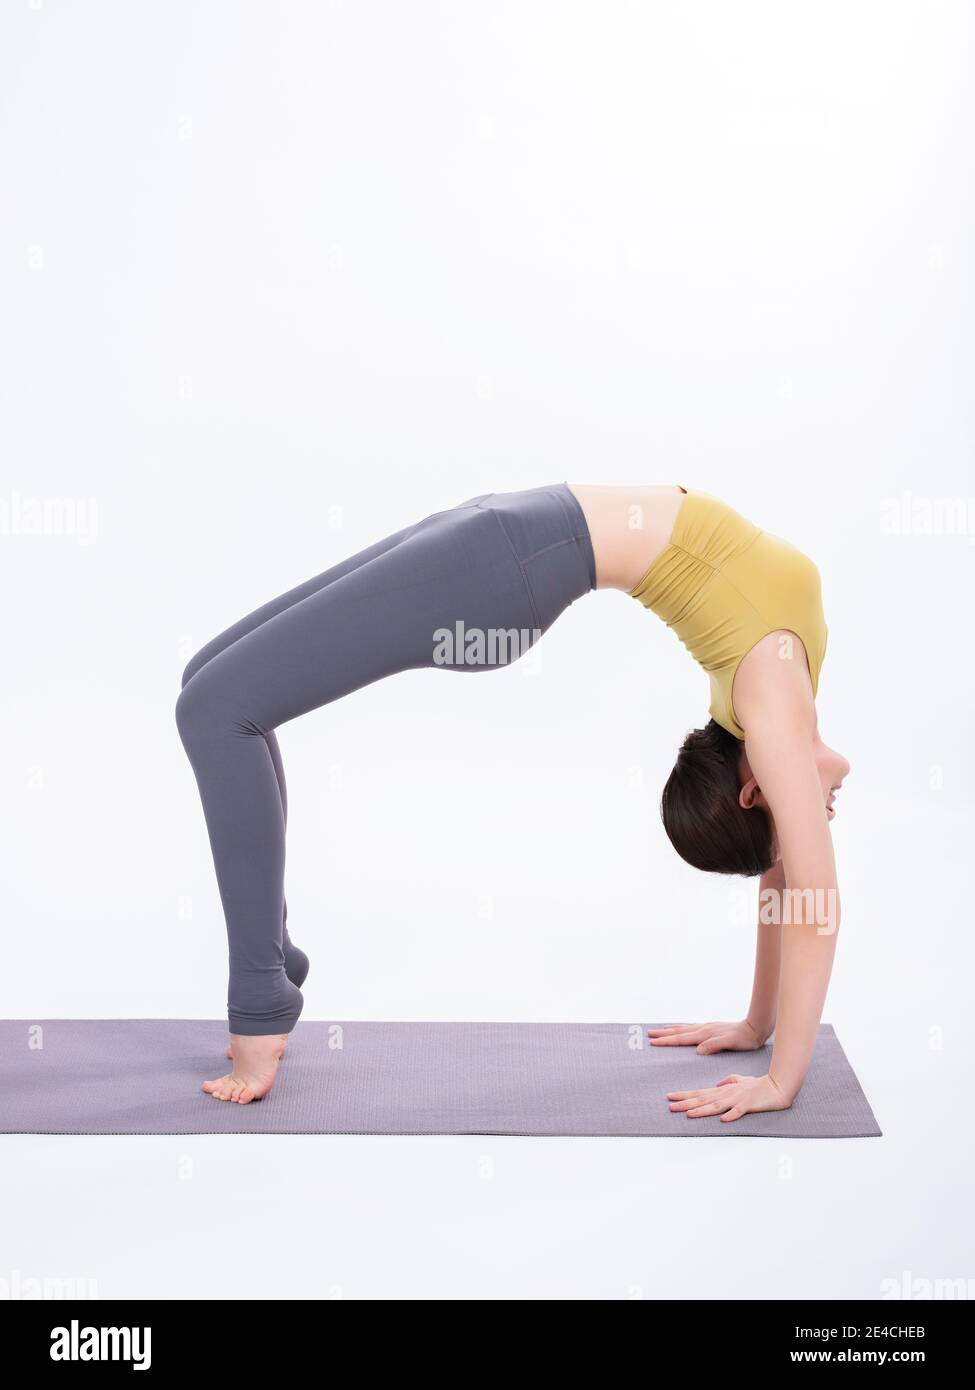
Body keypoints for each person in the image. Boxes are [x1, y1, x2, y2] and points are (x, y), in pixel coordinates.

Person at [176, 482, 848, 1119]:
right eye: (807, 815)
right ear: (758, 788)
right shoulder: (773, 711)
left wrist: (766, 1048)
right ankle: (272, 961)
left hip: (502, 559)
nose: (819, 817)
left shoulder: (766, 713)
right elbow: (804, 895)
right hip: (503, 544)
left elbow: (791, 886)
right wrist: (773, 1059)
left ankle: (261, 995)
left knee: (217, 709)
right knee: (208, 686)